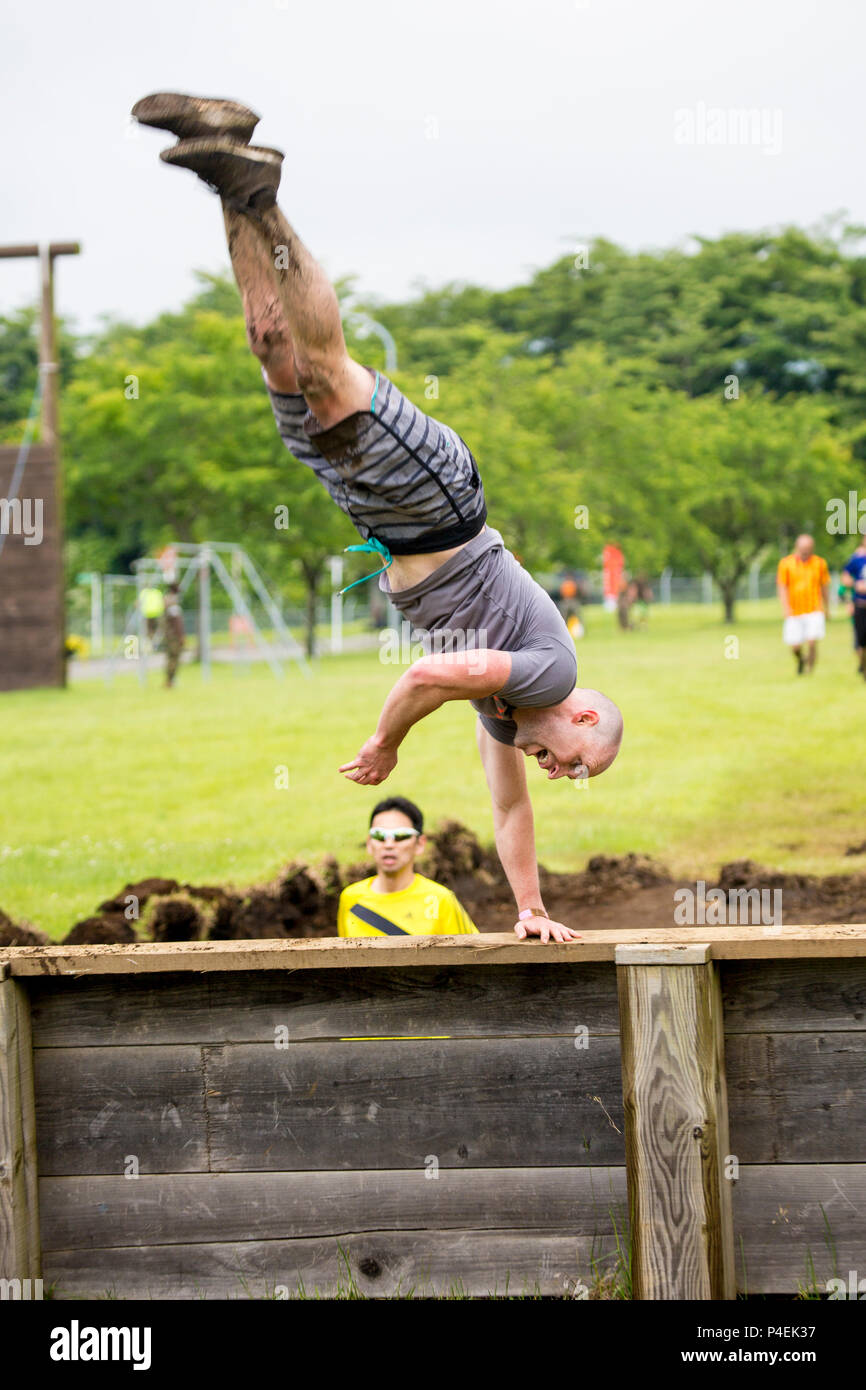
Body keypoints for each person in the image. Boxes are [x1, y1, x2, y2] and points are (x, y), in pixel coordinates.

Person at [132, 90, 625, 942]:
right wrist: (386, 745)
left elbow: (509, 814)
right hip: (436, 506)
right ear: (583, 716)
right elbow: (425, 678)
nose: (558, 774)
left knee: (271, 345)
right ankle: (262, 193)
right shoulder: (547, 676)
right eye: (576, 765)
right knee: (322, 367)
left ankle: (226, 165)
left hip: (392, 519)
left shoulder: (510, 712)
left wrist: (533, 910)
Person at [338, 798, 478, 938]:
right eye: (379, 835)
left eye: (401, 836)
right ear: (369, 843)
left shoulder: (441, 899)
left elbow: (474, 951)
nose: (389, 845)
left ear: (420, 844)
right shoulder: (350, 897)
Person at [776, 534, 830, 675]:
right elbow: (782, 587)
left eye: (808, 548)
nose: (805, 551)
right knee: (795, 646)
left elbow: (824, 587)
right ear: (797, 547)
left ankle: (809, 672)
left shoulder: (819, 563)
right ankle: (801, 660)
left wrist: (827, 607)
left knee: (812, 641)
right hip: (794, 610)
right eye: (803, 548)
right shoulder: (786, 563)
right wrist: (786, 607)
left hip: (814, 608)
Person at [841, 537, 866, 680]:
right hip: (861, 605)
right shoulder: (857, 559)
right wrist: (857, 584)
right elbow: (845, 578)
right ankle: (863, 665)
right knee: (861, 640)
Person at [163, 582, 185, 688]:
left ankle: (170, 680)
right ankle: (170, 680)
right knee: (174, 658)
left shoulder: (167, 603)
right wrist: (181, 636)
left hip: (169, 636)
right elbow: (177, 624)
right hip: (174, 637)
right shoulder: (173, 606)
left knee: (171, 658)